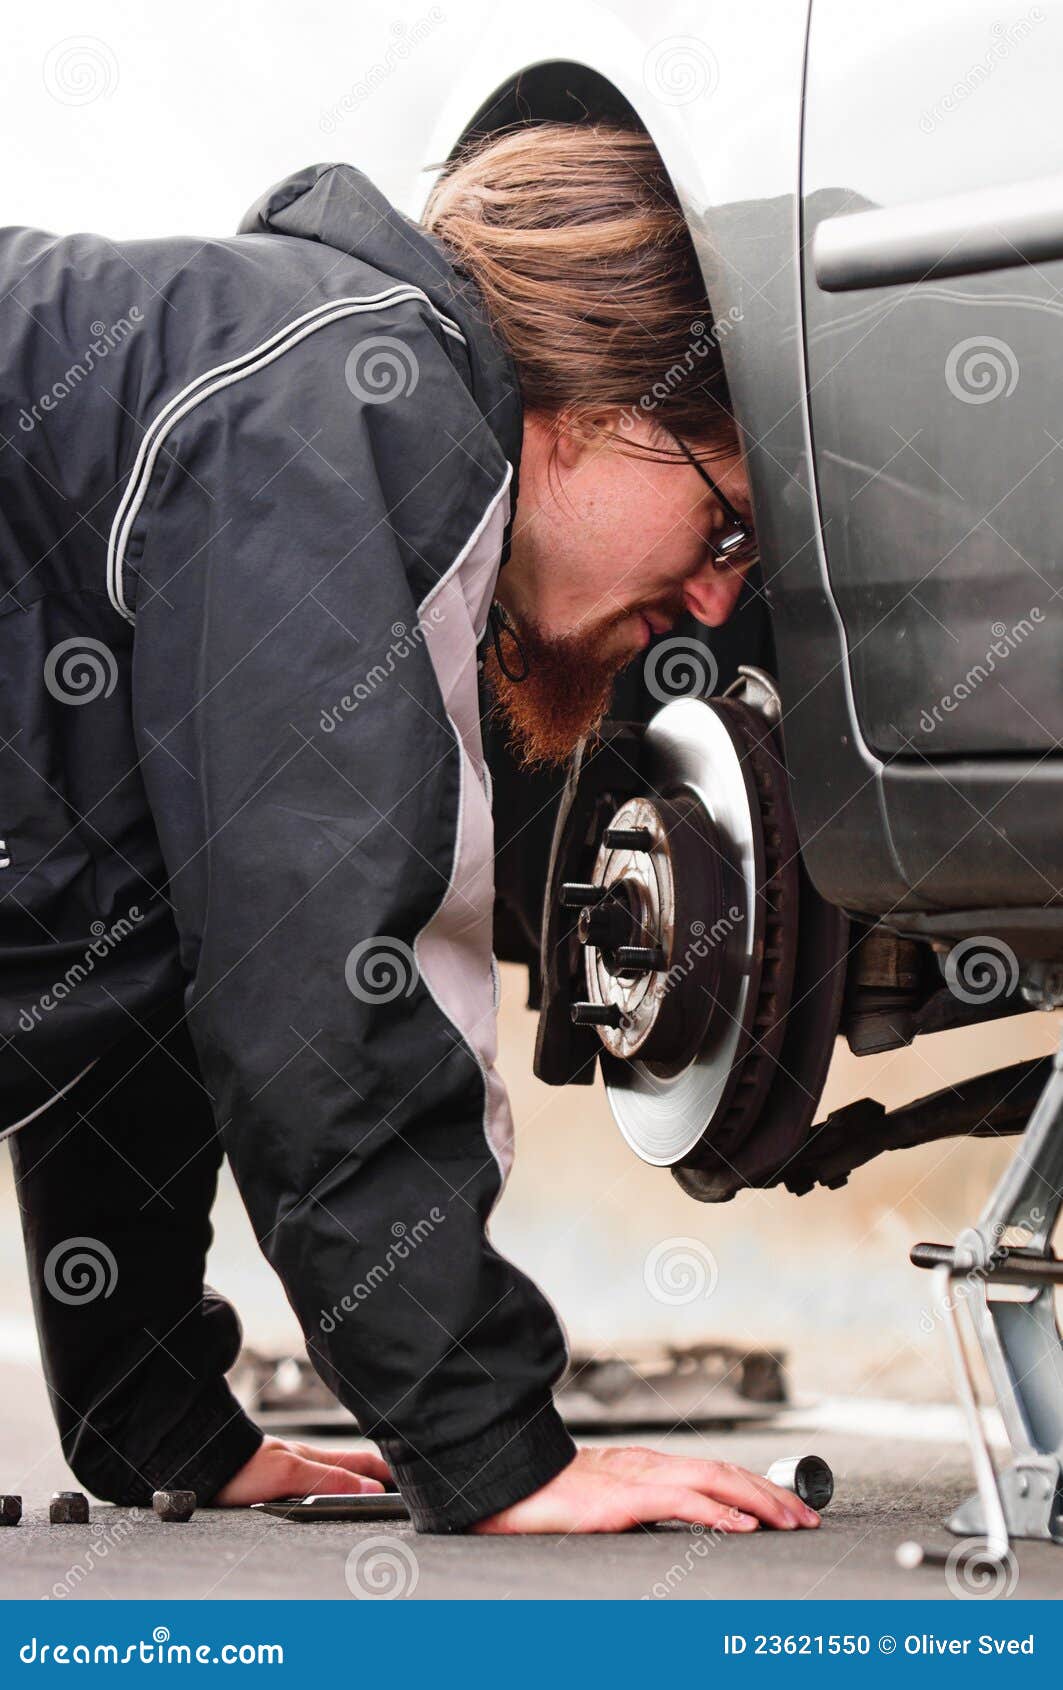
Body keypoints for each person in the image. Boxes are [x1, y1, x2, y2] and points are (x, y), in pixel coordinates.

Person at [0, 123, 817, 1537]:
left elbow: (127, 962)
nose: (707, 600)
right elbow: (318, 964)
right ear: (599, 406)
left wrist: (161, 1419)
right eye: (725, 524)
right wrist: (496, 1444)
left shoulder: (300, 378)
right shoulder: (361, 417)